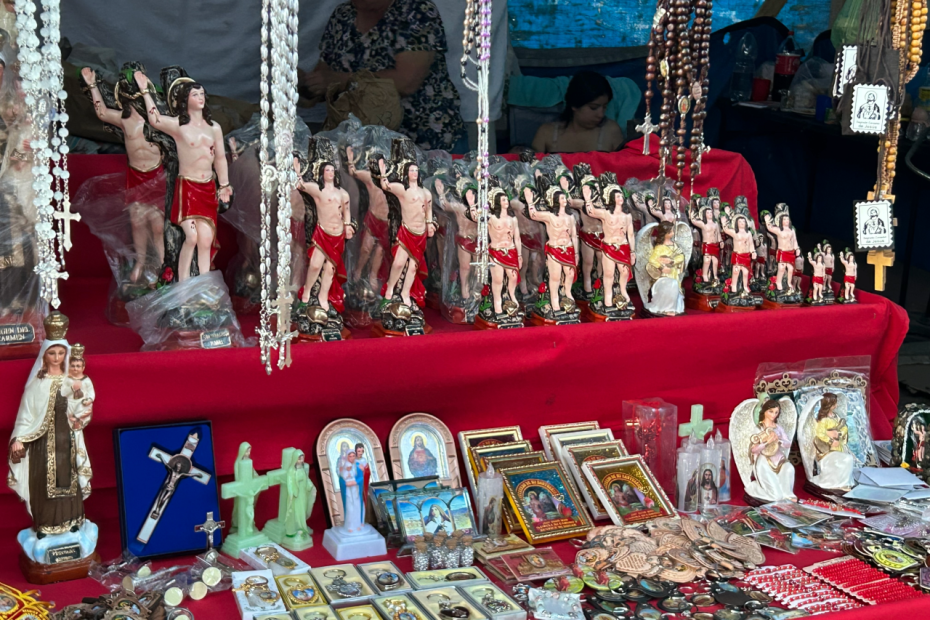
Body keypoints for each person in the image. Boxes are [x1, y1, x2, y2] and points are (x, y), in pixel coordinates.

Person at [303, 0, 466, 152]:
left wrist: (341, 80)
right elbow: (323, 78)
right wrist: (304, 84)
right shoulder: (342, 15)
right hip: (359, 147)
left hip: (423, 143)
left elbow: (407, 82)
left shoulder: (416, 11)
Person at [8, 312, 93, 541]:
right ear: (45, 355)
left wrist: (80, 401)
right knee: (43, 482)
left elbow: (84, 409)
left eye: (61, 353)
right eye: (52, 353)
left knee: (69, 480)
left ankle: (73, 521)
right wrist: (18, 439)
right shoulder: (37, 385)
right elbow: (25, 417)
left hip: (68, 440)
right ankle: (45, 524)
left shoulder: (73, 380)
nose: (56, 357)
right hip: (42, 443)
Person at [532, 71, 624, 153]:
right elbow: (531, 164)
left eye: (604, 107)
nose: (601, 114)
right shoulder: (547, 133)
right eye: (593, 107)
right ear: (574, 105)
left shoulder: (611, 131)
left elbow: (622, 164)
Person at [746, 400, 796, 502]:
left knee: (789, 468)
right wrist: (766, 442)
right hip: (765, 462)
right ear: (764, 411)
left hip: (779, 459)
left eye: (776, 412)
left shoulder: (778, 428)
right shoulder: (759, 428)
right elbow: (754, 450)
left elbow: (788, 444)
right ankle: (754, 488)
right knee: (776, 497)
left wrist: (779, 440)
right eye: (771, 411)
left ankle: (787, 494)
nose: (774, 415)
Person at [812, 393, 855, 489]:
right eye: (834, 403)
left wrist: (839, 433)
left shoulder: (835, 416)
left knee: (844, 460)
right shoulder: (824, 420)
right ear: (829, 405)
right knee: (845, 460)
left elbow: (844, 427)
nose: (836, 405)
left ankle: (841, 482)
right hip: (828, 450)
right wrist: (830, 440)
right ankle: (837, 482)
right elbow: (820, 433)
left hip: (838, 447)